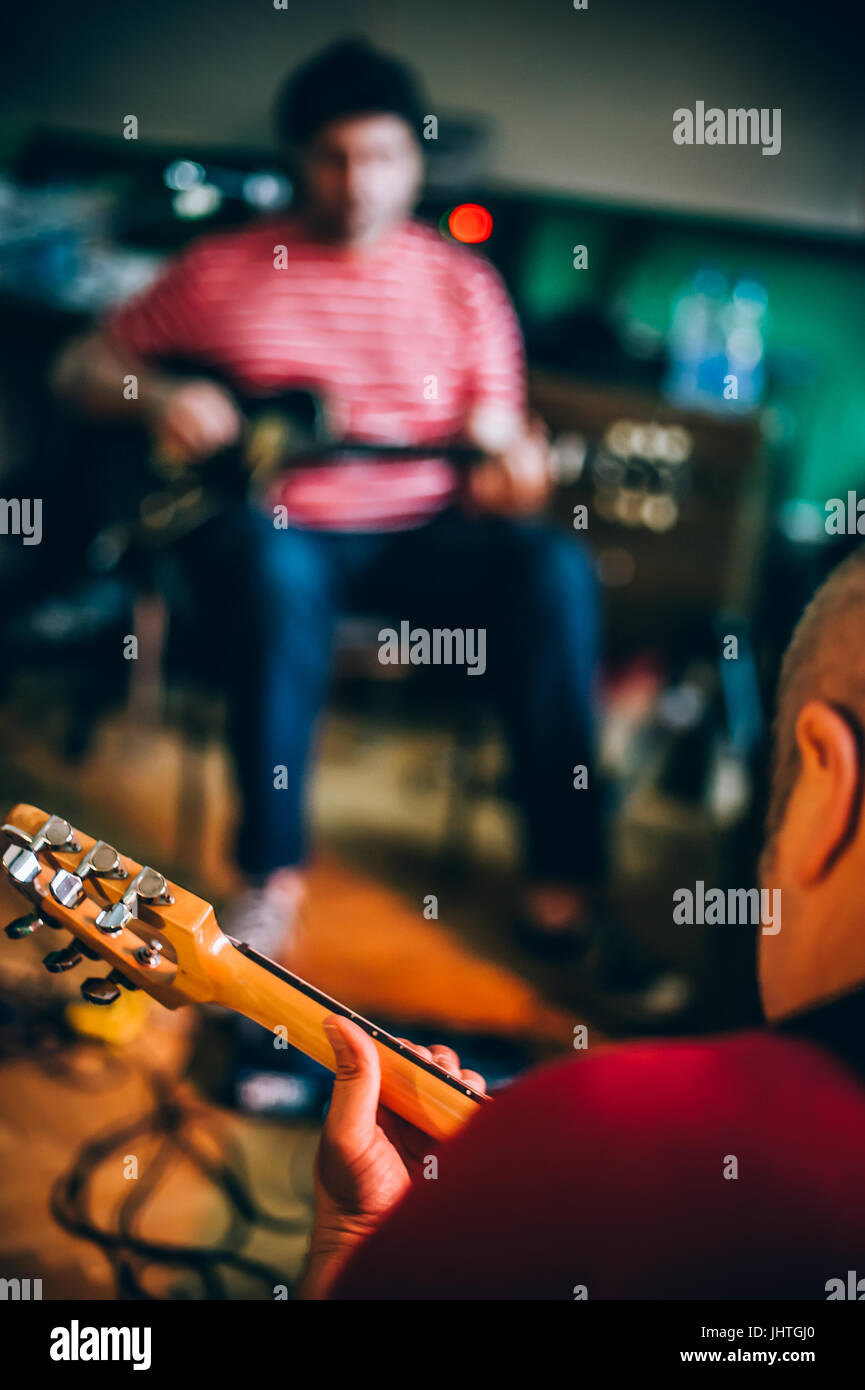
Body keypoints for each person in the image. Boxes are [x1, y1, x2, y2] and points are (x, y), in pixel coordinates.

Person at [52, 39, 602, 961]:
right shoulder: (220, 268)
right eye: (333, 158)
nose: (359, 184)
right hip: (278, 532)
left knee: (554, 567)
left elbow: (500, 439)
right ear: (297, 160)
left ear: (416, 160)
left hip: (421, 533)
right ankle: (269, 880)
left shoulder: (465, 287)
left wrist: (512, 473)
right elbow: (79, 366)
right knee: (276, 568)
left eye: (382, 156)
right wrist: (157, 395)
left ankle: (563, 891)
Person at [298, 546, 865, 1299]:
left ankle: (557, 898)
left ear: (827, 788)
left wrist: (354, 1246)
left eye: (775, 806)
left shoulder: (589, 1132)